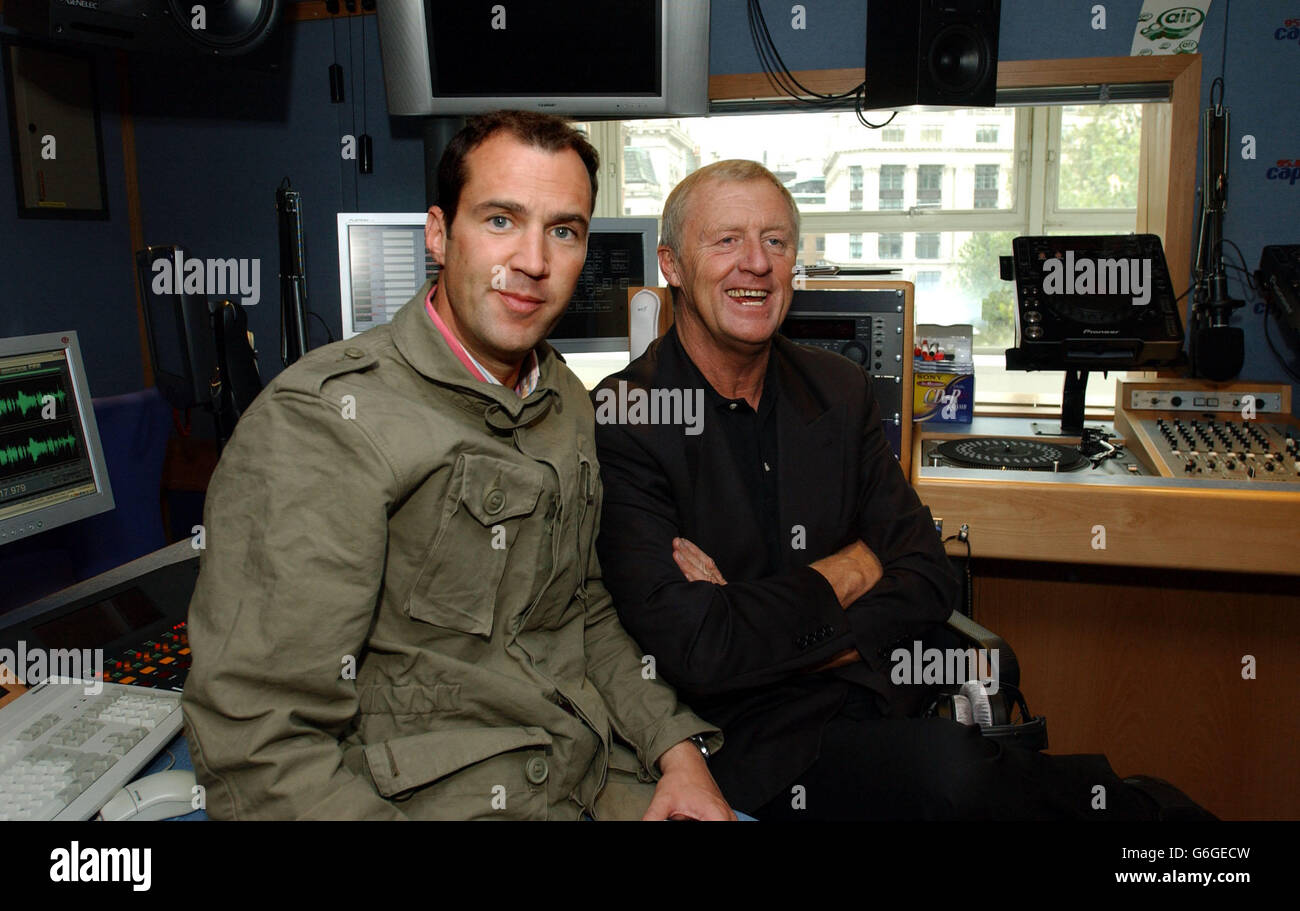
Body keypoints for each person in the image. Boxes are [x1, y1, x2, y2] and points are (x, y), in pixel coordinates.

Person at [592, 159, 1211, 821]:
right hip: (751, 740)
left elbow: (926, 572)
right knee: (956, 774)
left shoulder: (837, 388)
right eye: (726, 240)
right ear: (673, 265)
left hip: (877, 688)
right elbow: (697, 651)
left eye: (776, 241)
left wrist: (756, 618)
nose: (757, 263)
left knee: (969, 749)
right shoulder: (627, 413)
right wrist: (856, 566)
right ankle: (1151, 814)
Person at [182, 111, 732, 821]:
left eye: (562, 230)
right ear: (439, 235)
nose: (532, 260)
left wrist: (678, 754)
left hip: (593, 773)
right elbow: (258, 738)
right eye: (501, 220)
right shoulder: (322, 422)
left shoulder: (563, 399)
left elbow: (583, 611)